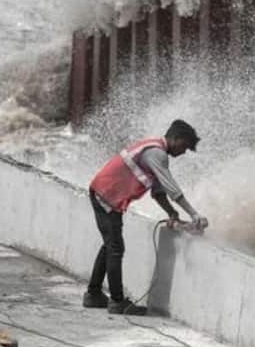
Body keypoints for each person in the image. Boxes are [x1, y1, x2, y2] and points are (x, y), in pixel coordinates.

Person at [84, 119, 208, 315]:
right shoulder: (157, 154)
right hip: (107, 196)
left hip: (105, 193)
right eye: (184, 146)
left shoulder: (154, 150)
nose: (184, 152)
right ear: (175, 138)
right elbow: (171, 188)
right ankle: (117, 302)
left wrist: (172, 213)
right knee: (115, 249)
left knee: (110, 246)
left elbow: (158, 193)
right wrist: (194, 214)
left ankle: (93, 294)